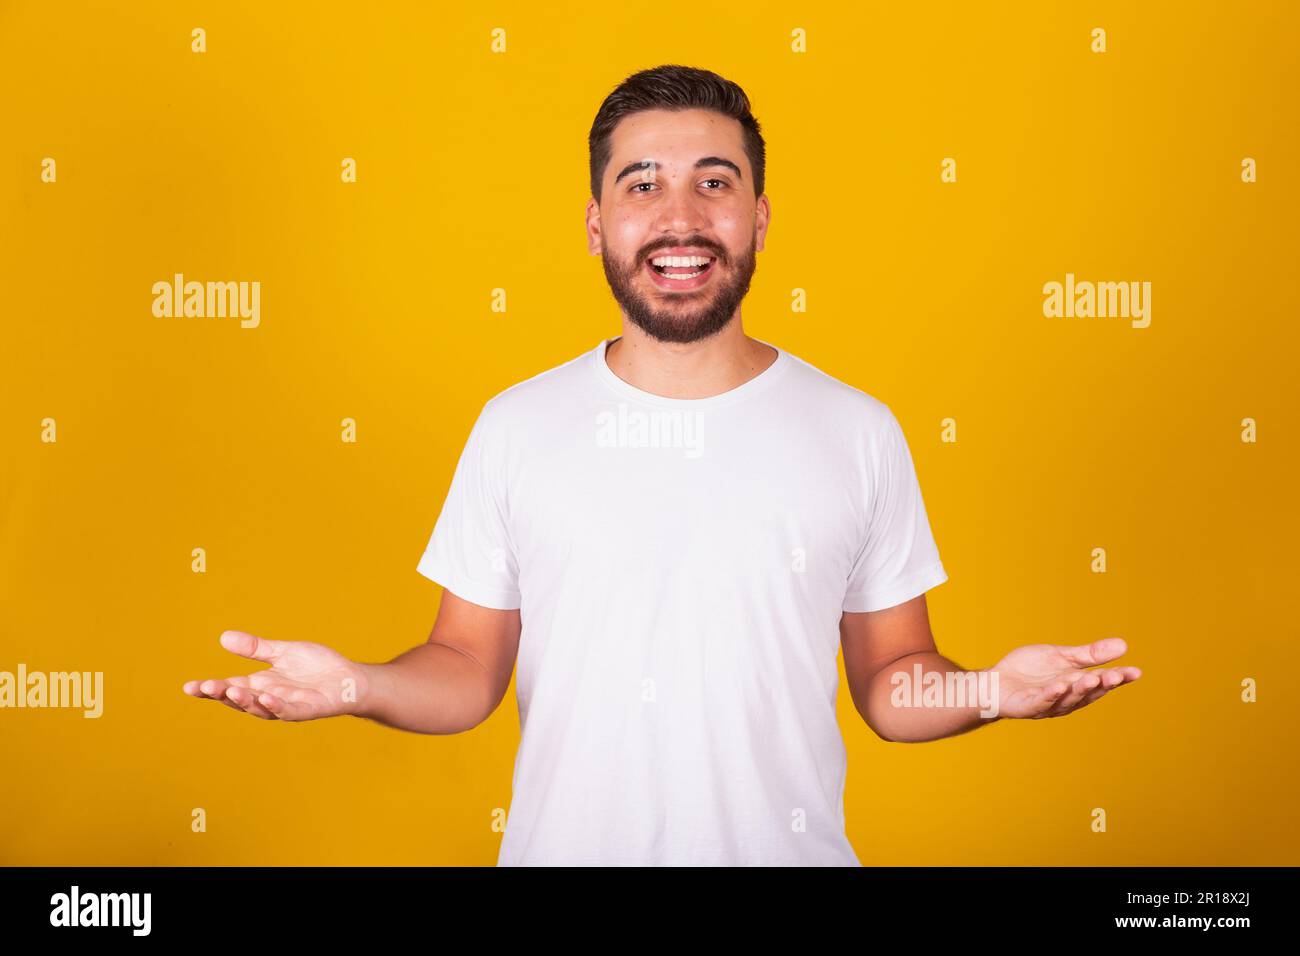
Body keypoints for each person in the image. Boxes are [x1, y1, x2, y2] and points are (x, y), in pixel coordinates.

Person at [183, 64, 1142, 866]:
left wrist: (988, 693)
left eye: (713, 183)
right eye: (641, 184)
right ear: (597, 223)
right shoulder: (519, 426)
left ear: (759, 218)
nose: (679, 218)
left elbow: (893, 683)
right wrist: (354, 683)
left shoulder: (857, 429)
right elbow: (467, 669)